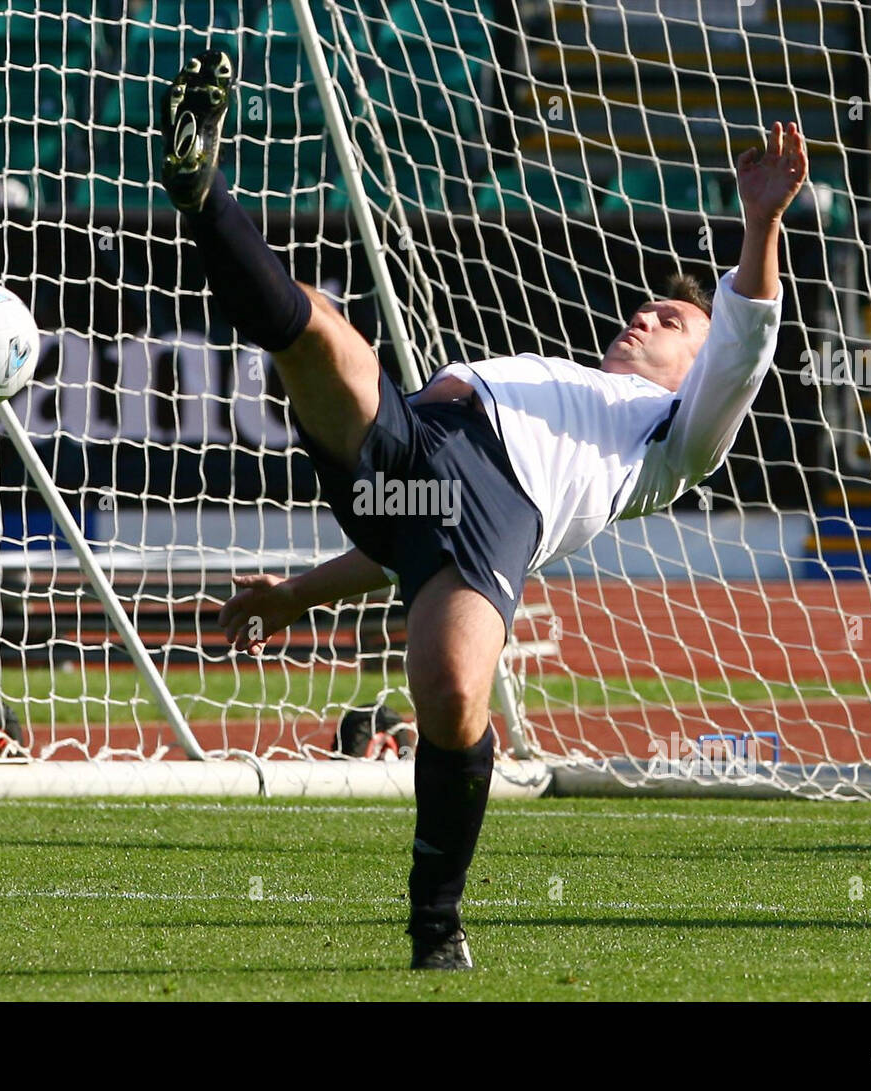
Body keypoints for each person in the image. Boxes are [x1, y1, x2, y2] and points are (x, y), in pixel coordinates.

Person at [159, 50, 807, 969]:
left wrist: (760, 227)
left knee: (456, 696)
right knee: (318, 333)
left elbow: (743, 350)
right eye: (648, 308)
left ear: (695, 367)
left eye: (670, 321)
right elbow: (397, 542)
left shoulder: (673, 439)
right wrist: (294, 596)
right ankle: (200, 188)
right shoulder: (567, 377)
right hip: (414, 447)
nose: (645, 318)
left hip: (488, 519)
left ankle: (436, 927)